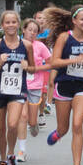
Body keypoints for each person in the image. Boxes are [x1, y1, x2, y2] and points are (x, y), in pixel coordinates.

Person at [42, 3, 83, 165]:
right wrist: (73, 60)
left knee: (77, 125)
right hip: (64, 84)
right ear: (74, 20)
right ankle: (59, 133)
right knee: (65, 127)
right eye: (82, 19)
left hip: (82, 85)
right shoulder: (64, 38)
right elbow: (55, 62)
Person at [0, 9, 31, 165]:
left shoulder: (26, 45)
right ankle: (3, 159)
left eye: (14, 22)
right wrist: (0, 62)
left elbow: (32, 68)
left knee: (12, 125)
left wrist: (28, 66)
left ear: (18, 25)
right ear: (2, 25)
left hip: (17, 91)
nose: (11, 25)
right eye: (7, 22)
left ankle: (12, 154)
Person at [21, 17, 50, 149]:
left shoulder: (40, 46)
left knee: (31, 120)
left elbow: (51, 63)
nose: (32, 33)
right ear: (23, 30)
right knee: (23, 116)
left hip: (35, 86)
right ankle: (21, 150)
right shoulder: (17, 44)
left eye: (35, 31)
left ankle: (34, 124)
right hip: (19, 86)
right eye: (29, 30)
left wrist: (35, 68)